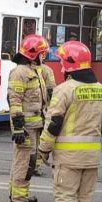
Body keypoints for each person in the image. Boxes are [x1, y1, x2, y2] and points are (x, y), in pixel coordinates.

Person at [38, 41, 102, 202]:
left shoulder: (64, 90)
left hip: (69, 158)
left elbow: (53, 125)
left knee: (67, 197)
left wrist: (42, 151)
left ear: (68, 64)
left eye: (62, 61)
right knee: (85, 198)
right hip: (92, 157)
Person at [7, 34, 51, 202]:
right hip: (25, 127)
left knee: (25, 160)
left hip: (34, 125)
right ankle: (19, 199)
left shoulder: (34, 71)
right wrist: (18, 127)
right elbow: (14, 100)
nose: (44, 57)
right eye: (42, 53)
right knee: (25, 162)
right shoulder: (20, 73)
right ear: (34, 54)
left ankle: (17, 193)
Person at [31, 44, 57, 178]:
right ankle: (36, 165)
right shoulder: (47, 70)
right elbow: (52, 90)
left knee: (34, 140)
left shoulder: (27, 69)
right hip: (43, 112)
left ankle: (33, 165)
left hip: (35, 113)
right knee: (41, 140)